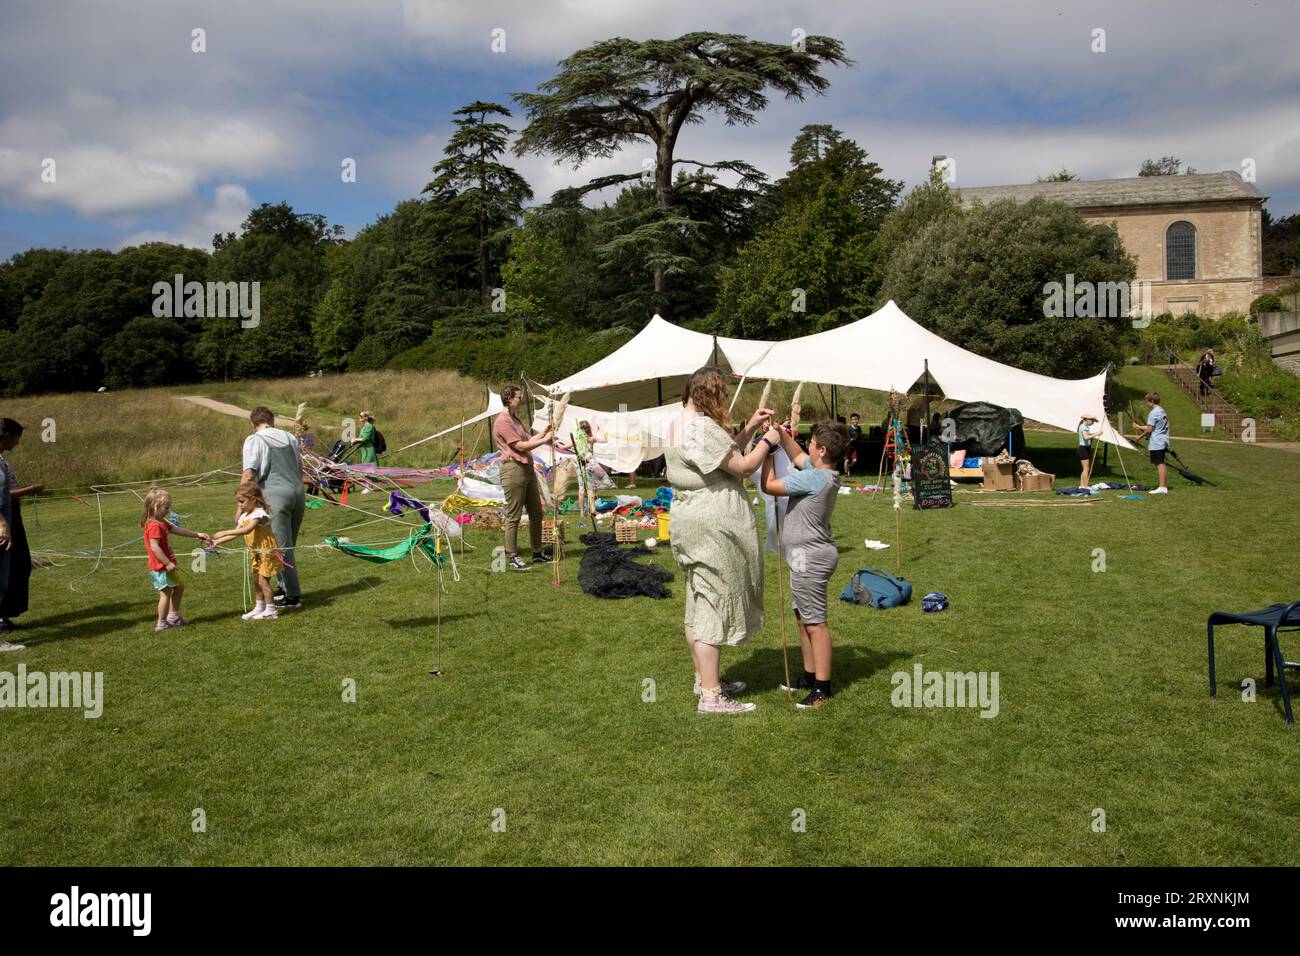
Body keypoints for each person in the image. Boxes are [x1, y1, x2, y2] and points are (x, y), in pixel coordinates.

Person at [664, 366, 774, 715]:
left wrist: (750, 429)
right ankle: (711, 696)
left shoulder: (678, 423)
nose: (723, 402)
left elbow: (721, 459)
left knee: (698, 600)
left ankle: (705, 678)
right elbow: (741, 467)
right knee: (712, 602)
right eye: (720, 395)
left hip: (688, 518)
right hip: (710, 523)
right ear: (708, 396)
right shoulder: (701, 427)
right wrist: (769, 443)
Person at [760, 419, 850, 708]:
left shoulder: (812, 479)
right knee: (803, 618)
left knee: (816, 624)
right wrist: (780, 434)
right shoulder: (822, 473)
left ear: (821, 450)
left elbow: (769, 485)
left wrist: (769, 452)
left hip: (809, 558)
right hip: (805, 556)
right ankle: (811, 676)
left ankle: (822, 688)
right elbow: (798, 455)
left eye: (811, 443)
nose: (807, 446)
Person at [242, 407, 306, 608]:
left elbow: (249, 473)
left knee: (280, 548)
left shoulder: (255, 440)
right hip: (297, 493)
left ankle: (293, 596)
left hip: (275, 495)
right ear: (272, 420)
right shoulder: (289, 437)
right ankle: (283, 586)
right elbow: (299, 467)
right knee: (287, 544)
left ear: (254, 423)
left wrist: (240, 504)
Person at [492, 385, 555, 571]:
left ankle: (537, 552)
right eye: (519, 397)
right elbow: (520, 446)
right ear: (509, 398)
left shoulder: (515, 419)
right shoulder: (502, 421)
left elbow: (529, 439)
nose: (521, 400)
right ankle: (512, 555)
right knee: (514, 515)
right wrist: (545, 440)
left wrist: (544, 432)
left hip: (526, 468)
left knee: (536, 512)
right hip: (513, 469)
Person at [209, 481, 284, 621]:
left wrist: (224, 531)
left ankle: (271, 610)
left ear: (253, 499)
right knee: (256, 581)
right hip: (256, 553)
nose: (240, 505)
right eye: (238, 502)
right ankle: (259, 607)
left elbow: (247, 529)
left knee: (263, 582)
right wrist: (216, 542)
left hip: (267, 552)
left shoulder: (259, 514)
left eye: (242, 501)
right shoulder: (245, 515)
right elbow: (237, 533)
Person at [141, 488, 211, 631]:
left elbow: (177, 530)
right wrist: (166, 563)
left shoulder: (161, 522)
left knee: (179, 587)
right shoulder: (154, 525)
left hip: (167, 564)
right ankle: (161, 623)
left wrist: (197, 534)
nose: (168, 510)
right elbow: (154, 547)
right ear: (155, 507)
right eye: (166, 507)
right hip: (160, 566)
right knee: (166, 592)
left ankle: (172, 617)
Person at [0, 419, 42, 638]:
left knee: (18, 564)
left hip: (10, 514)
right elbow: (3, 494)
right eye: (16, 437)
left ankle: (6, 614)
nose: (18, 442)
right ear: (6, 435)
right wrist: (31, 489)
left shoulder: (2, 460)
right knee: (6, 569)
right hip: (4, 519)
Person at [1134, 391, 1170, 494]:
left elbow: (1149, 430)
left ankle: (1162, 487)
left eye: (1147, 402)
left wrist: (1139, 437)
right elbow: (1152, 426)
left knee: (1160, 464)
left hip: (1157, 441)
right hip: (1162, 440)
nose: (1147, 404)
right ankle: (1162, 486)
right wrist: (1138, 426)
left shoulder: (1153, 413)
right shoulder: (1162, 411)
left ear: (1152, 401)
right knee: (1159, 463)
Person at [1076, 413, 1103, 488]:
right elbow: (1086, 437)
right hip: (1083, 449)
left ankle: (1082, 485)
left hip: (1085, 449)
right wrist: (1097, 434)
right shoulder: (1084, 427)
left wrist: (1096, 434)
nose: (1093, 422)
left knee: (1085, 469)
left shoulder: (1084, 426)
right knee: (1086, 469)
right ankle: (1085, 486)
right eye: (1092, 420)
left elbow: (1088, 435)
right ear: (1086, 419)